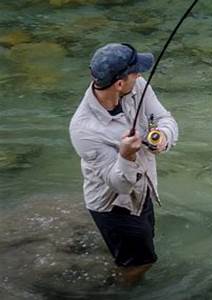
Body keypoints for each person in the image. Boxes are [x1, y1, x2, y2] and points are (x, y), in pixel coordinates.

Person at [69, 43, 178, 285]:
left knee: (144, 247)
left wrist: (162, 137)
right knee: (140, 263)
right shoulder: (83, 129)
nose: (140, 75)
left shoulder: (138, 87)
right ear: (119, 83)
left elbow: (164, 118)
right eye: (135, 71)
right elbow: (119, 185)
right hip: (114, 207)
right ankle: (120, 290)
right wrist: (126, 156)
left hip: (143, 191)